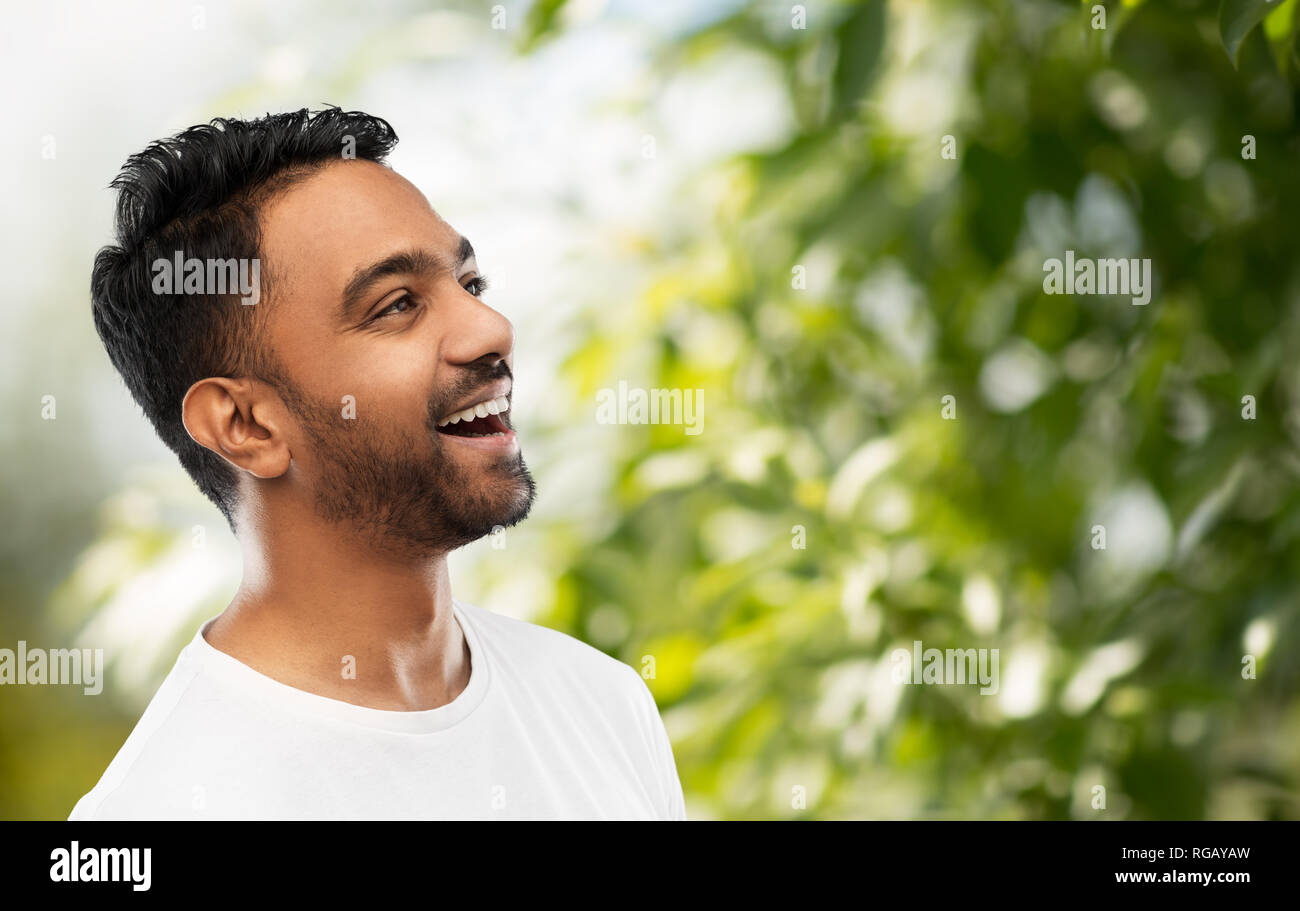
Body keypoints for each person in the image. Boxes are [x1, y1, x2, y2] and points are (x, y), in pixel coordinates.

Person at [70, 107, 685, 820]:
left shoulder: (600, 703)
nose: (492, 330)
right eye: (396, 305)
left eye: (471, 284)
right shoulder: (162, 811)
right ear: (246, 425)